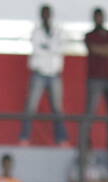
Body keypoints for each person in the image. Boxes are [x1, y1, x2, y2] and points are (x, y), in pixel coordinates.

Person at [19, 5, 68, 147]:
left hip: (55, 74)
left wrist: (47, 47)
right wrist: (51, 48)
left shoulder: (58, 31)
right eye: (44, 13)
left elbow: (59, 48)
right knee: (30, 107)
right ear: (41, 15)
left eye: (48, 13)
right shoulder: (36, 32)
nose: (46, 16)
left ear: (51, 15)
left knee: (58, 109)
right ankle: (24, 138)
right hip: (39, 73)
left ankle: (61, 139)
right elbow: (38, 49)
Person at [83, 7, 108, 145]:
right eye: (96, 17)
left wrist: (102, 49)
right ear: (93, 18)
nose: (99, 19)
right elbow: (94, 49)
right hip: (96, 77)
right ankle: (85, 143)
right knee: (90, 112)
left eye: (100, 16)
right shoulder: (89, 35)